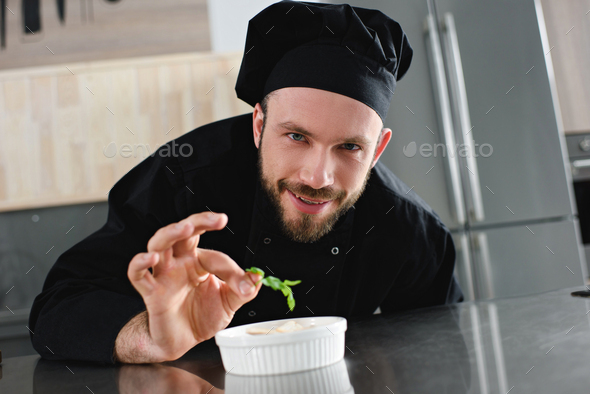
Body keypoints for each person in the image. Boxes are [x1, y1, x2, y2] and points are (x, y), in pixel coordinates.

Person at [29, 0, 463, 364]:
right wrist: (148, 337)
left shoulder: (407, 230)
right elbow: (57, 309)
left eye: (350, 147)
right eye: (296, 136)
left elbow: (443, 351)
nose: (317, 177)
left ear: (378, 149)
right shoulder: (181, 181)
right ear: (258, 124)